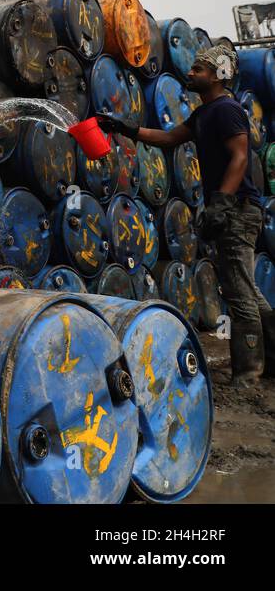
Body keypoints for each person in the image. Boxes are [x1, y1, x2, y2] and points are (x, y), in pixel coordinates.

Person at [98, 44, 273, 387]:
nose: (190, 73)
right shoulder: (204, 112)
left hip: (237, 209)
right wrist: (126, 129)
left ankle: (249, 373)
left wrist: (221, 201)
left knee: (238, 291)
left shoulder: (226, 110)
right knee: (246, 287)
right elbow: (168, 138)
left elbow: (240, 157)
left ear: (218, 75)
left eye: (198, 70)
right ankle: (271, 357)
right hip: (230, 207)